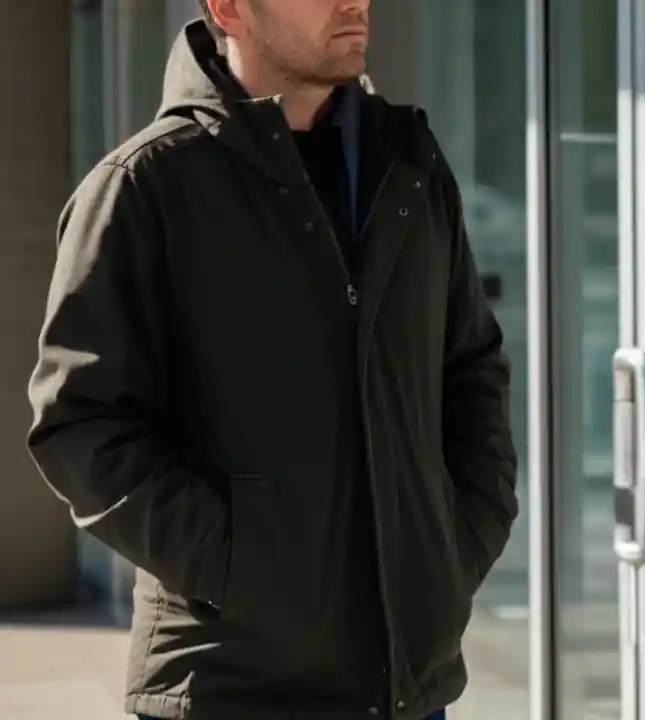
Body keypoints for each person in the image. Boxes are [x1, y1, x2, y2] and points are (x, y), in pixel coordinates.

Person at [26, 1, 518, 718]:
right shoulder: (144, 186)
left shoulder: (409, 163)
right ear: (229, 8)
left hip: (408, 688)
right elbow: (81, 426)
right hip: (231, 686)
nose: (355, 0)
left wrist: (455, 545)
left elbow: (470, 368)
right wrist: (237, 566)